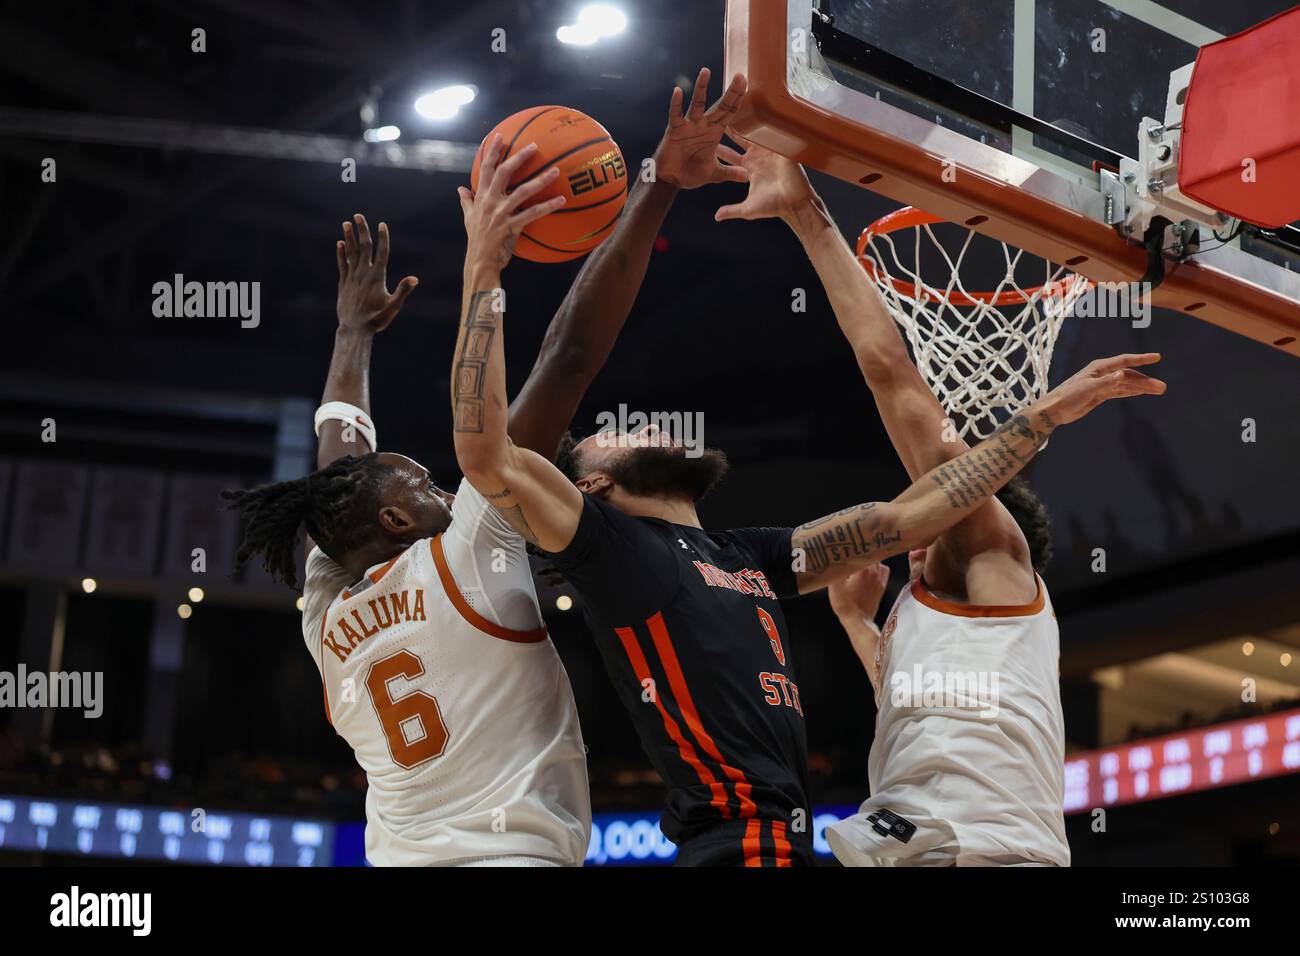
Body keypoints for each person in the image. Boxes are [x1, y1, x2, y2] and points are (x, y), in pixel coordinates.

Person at [450, 121, 1165, 866]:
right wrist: (485, 268)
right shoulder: (607, 541)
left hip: (901, 849)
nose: (632, 421)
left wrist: (1044, 418)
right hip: (782, 843)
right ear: (591, 482)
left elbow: (904, 497)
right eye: (608, 432)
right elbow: (492, 443)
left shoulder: (757, 555)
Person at [716, 136, 1165, 865]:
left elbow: (897, 382)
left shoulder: (996, 562)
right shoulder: (968, 594)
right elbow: (891, 374)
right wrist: (807, 211)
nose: (926, 517)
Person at [222, 214, 589, 866]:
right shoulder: (465, 554)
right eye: (426, 486)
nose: (448, 492)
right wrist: (656, 189)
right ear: (393, 523)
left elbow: (339, 473)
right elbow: (565, 357)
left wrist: (352, 332)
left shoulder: (329, 614)